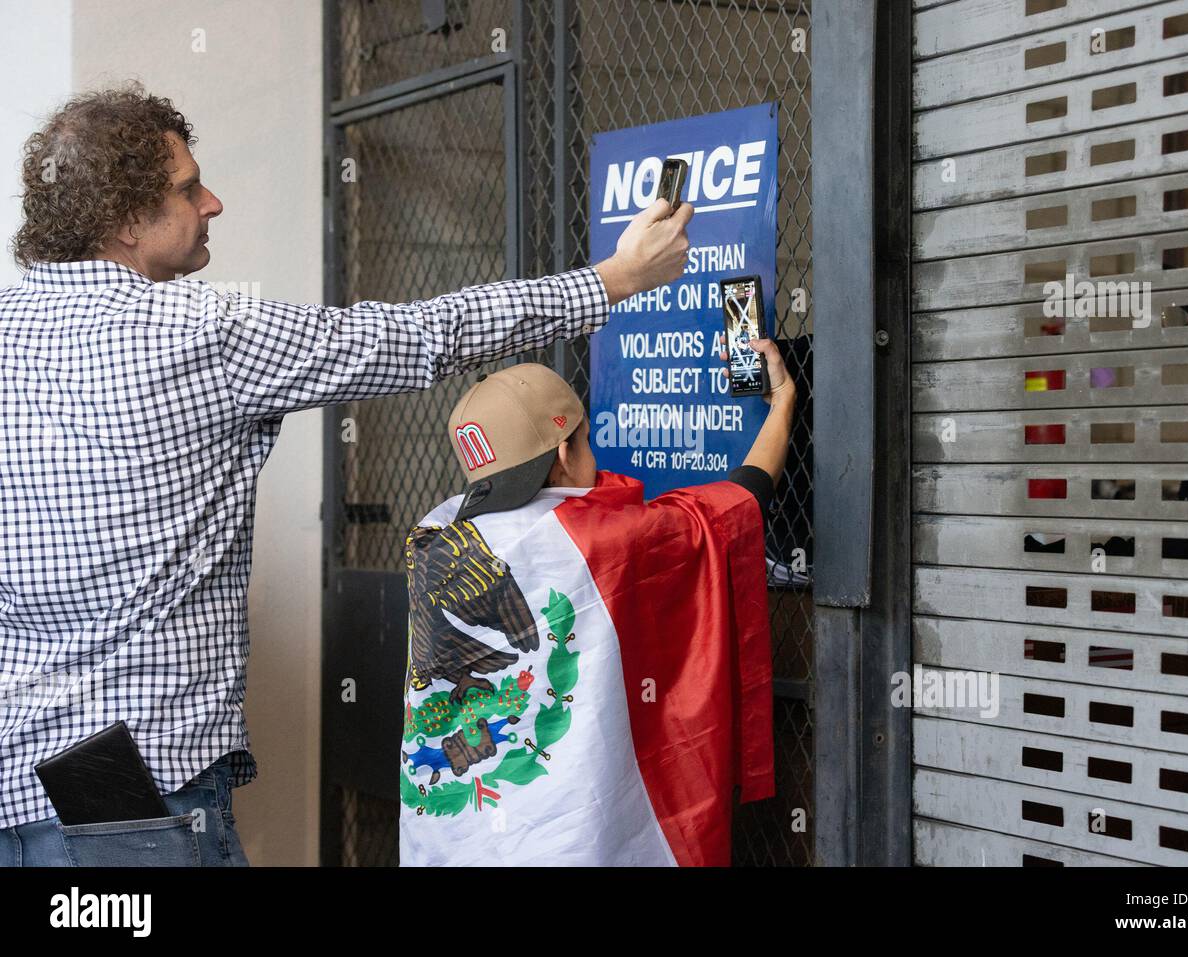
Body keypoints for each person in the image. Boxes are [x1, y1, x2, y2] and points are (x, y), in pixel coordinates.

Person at [0, 84, 691, 866]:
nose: (213, 202)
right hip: (135, 804)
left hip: (21, 790)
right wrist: (614, 279)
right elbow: (422, 336)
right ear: (125, 222)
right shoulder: (199, 333)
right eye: (188, 189)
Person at [400, 341, 795, 865]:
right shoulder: (601, 540)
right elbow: (735, 504)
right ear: (564, 452)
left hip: (454, 842)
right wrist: (784, 399)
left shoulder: (430, 539)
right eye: (585, 439)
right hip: (567, 842)